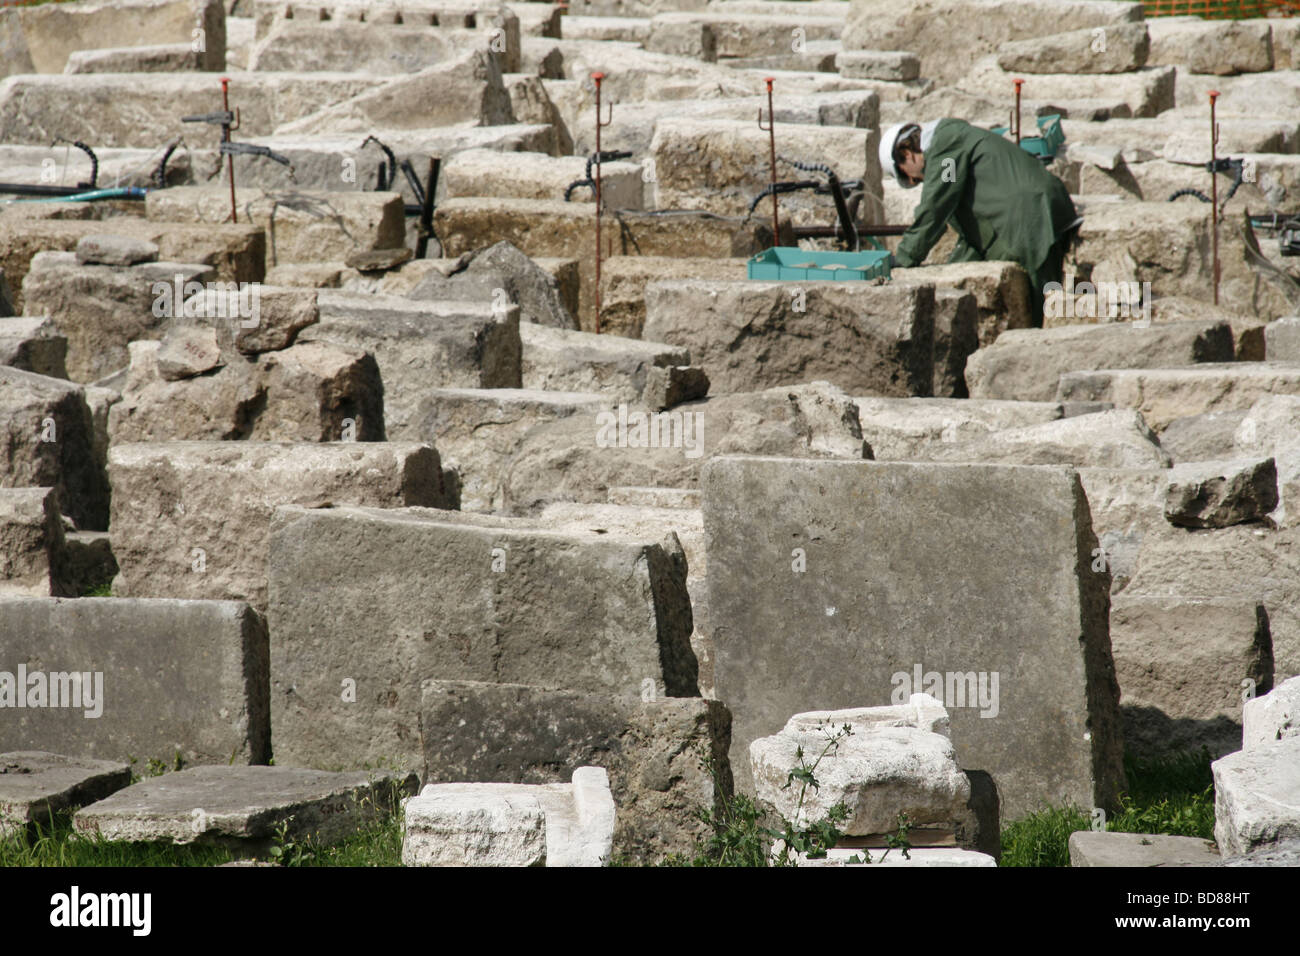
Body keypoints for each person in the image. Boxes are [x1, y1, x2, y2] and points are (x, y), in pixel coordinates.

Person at [881, 118, 1083, 326]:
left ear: (906, 155)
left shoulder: (946, 153)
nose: (916, 181)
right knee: (1045, 300)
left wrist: (905, 257)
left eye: (909, 178)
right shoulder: (953, 145)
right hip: (1039, 209)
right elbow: (973, 237)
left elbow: (936, 205)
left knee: (1039, 311)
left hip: (1030, 217)